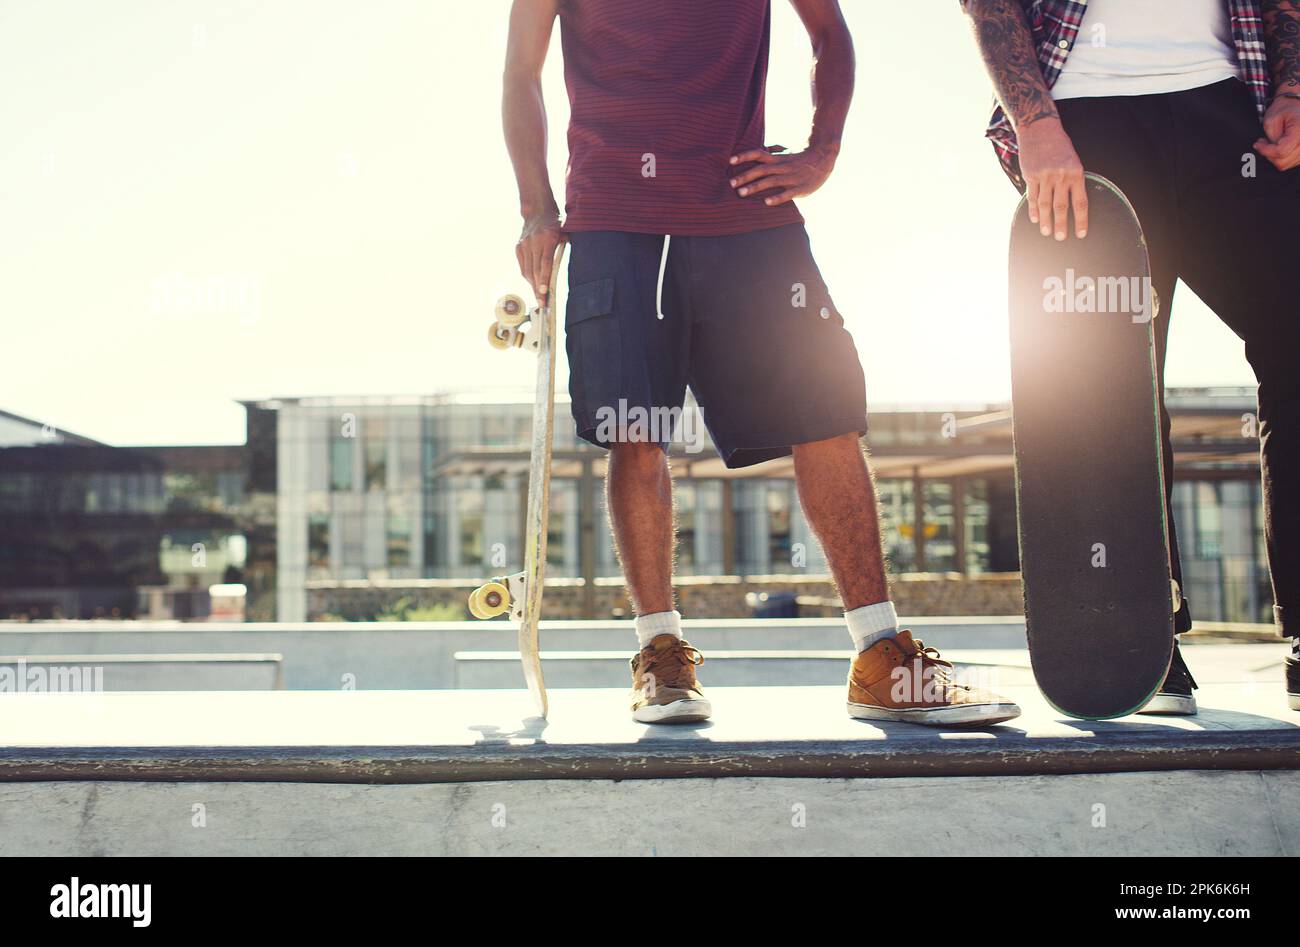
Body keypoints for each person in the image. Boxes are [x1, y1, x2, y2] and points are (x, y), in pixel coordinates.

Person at [502, 0, 1021, 725]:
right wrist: (535, 205)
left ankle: (880, 657)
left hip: (749, 212)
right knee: (637, 427)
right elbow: (520, 68)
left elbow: (829, 31)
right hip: (616, 215)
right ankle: (661, 657)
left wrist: (822, 150)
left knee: (827, 412)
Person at [962, 0, 1300, 712]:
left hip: (1232, 112)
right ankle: (1140, 639)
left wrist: (1295, 87)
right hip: (1087, 117)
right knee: (1112, 386)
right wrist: (1036, 123)